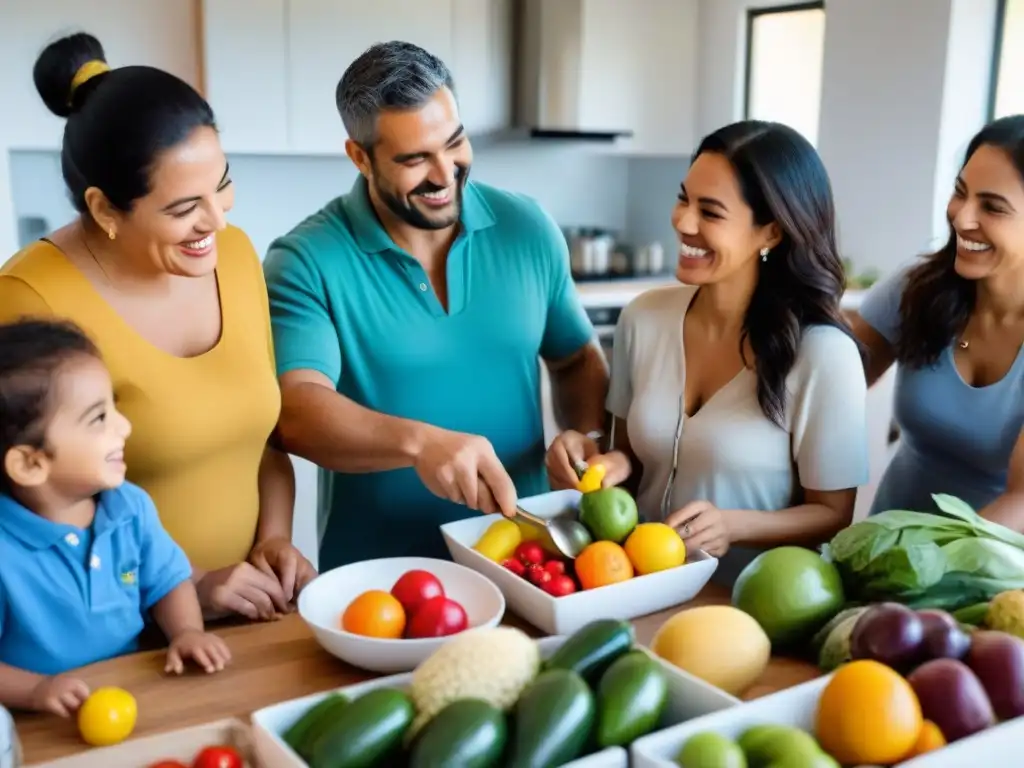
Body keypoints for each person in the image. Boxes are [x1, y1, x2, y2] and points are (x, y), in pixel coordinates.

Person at [0, 32, 315, 621]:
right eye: (182, 208)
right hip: (104, 636)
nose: (217, 221)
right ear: (103, 210)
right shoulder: (27, 299)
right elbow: (19, 514)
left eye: (221, 184)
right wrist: (183, 588)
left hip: (247, 617)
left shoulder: (237, 256)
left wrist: (274, 539)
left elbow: (264, 443)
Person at [264, 41, 608, 570]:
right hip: (379, 575)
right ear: (360, 157)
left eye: (455, 143)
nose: (445, 174)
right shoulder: (305, 260)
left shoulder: (528, 228)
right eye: (415, 158)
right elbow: (297, 412)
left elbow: (575, 357)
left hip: (527, 560)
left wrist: (583, 435)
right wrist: (419, 444)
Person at [546, 121, 870, 585]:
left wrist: (735, 525)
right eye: (684, 199)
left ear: (771, 233)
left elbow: (833, 515)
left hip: (751, 600)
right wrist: (599, 462)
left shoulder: (824, 356)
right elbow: (631, 461)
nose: (683, 222)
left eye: (710, 212)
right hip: (632, 585)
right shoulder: (643, 318)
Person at [0, 319, 231, 717]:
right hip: (32, 722)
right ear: (30, 463)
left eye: (114, 408)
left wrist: (187, 632)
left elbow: (168, 582)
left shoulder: (130, 507)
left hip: (133, 694)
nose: (124, 427)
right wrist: (36, 691)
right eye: (99, 419)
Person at [850, 115, 1024, 527]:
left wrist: (924, 571)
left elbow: (1021, 501)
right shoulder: (918, 286)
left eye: (992, 207)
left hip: (990, 570)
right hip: (882, 552)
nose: (961, 217)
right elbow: (830, 386)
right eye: (960, 193)